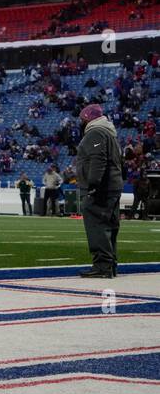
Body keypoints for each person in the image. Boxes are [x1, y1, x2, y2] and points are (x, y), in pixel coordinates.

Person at [75, 103, 124, 278]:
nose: (80, 123)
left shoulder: (96, 133)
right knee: (110, 226)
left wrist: (93, 185)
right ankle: (110, 265)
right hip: (112, 186)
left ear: (88, 118)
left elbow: (98, 159)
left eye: (82, 119)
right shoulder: (109, 134)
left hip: (102, 188)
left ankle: (102, 266)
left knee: (97, 225)